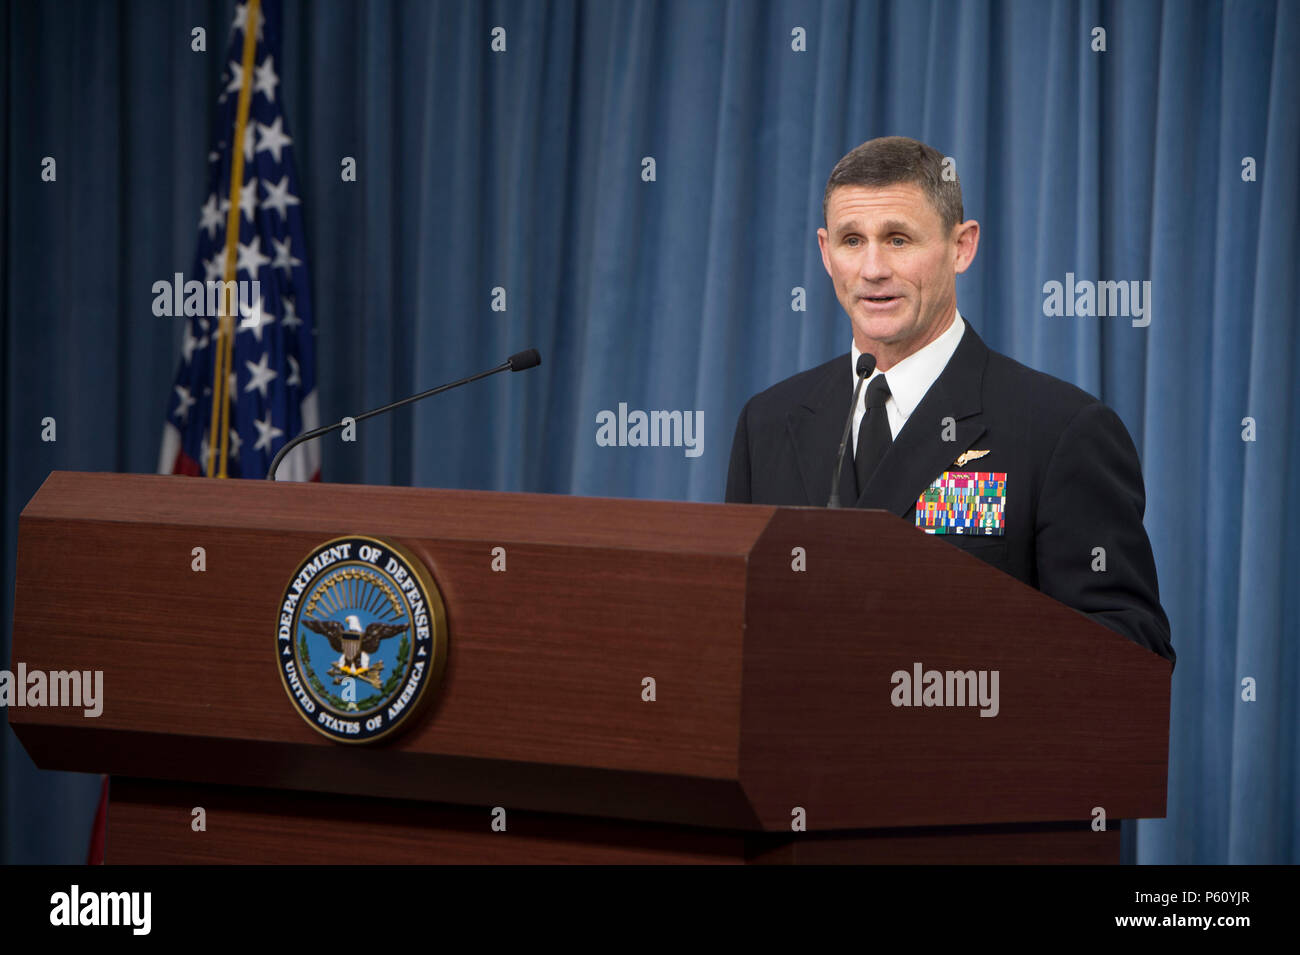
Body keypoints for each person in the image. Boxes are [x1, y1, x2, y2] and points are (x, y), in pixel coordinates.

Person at [725, 136, 1173, 665]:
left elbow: (1129, 650)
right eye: (852, 241)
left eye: (898, 239)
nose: (872, 269)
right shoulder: (770, 422)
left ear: (962, 246)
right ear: (825, 253)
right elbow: (736, 626)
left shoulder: (1060, 430)